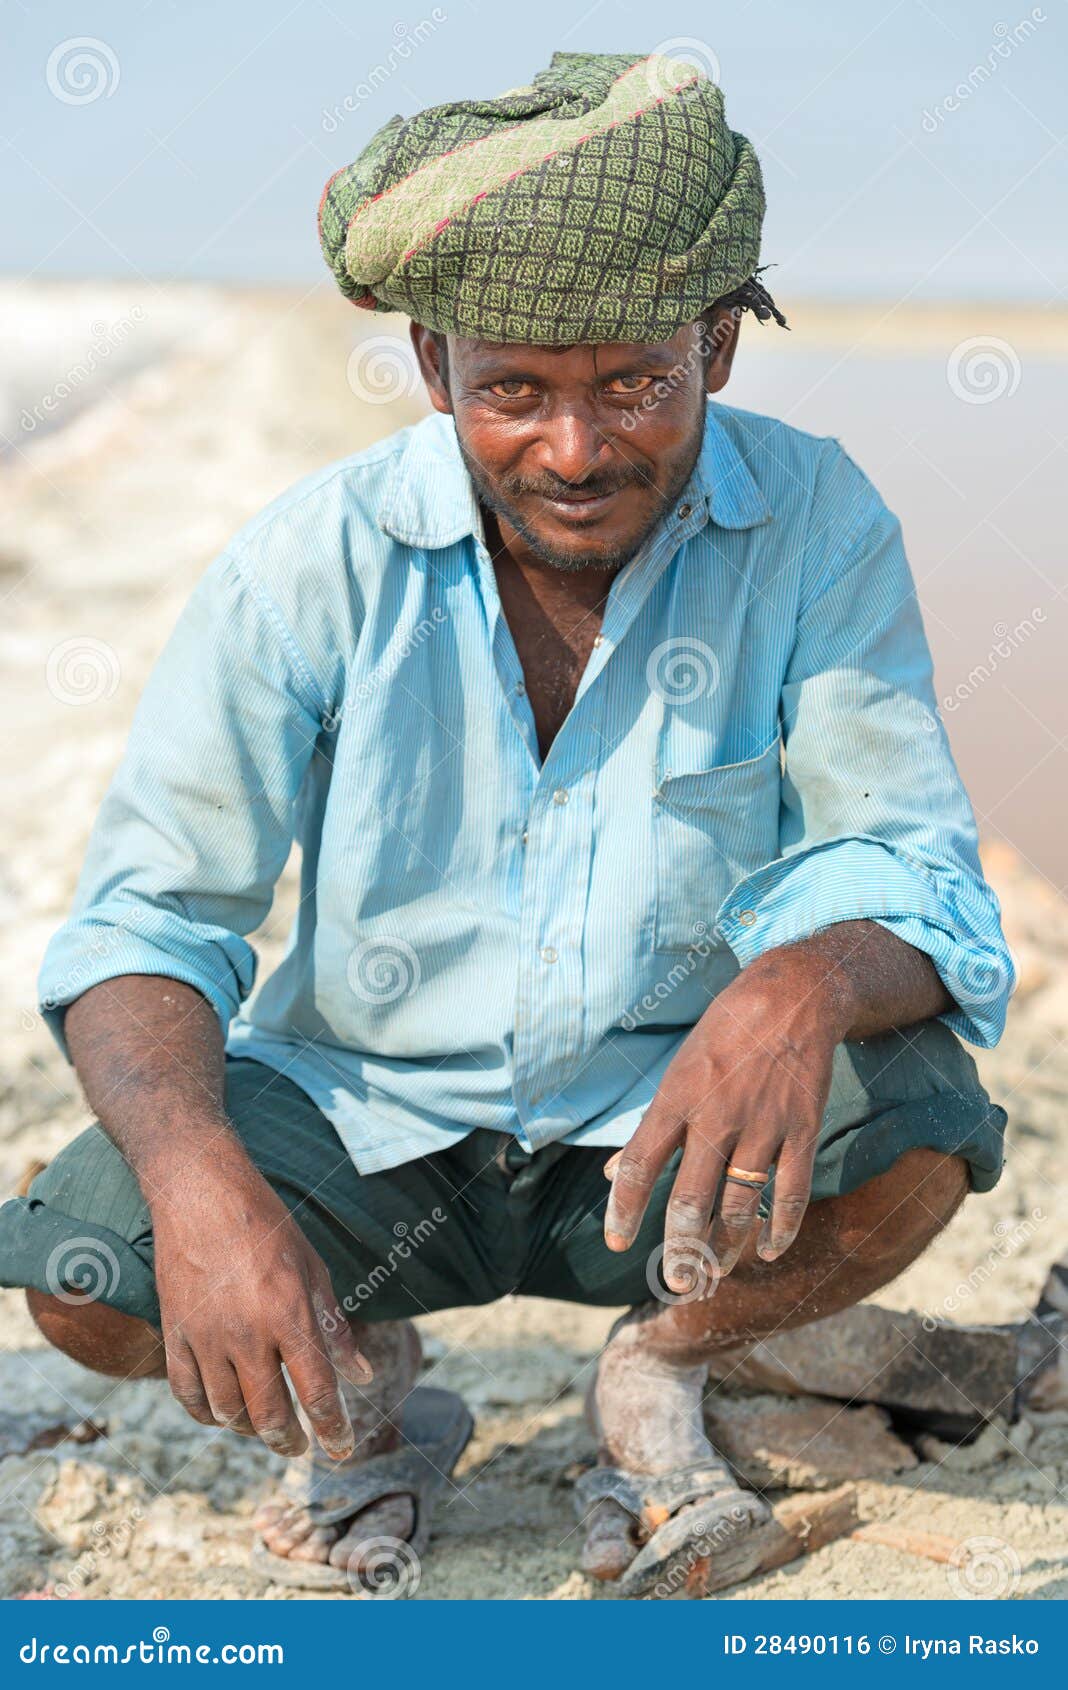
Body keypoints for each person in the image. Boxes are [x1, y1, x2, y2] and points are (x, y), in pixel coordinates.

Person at [0, 51, 1013, 1598]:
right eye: (512, 392)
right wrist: (207, 1188)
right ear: (430, 363)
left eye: (635, 383)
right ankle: (370, 1377)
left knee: (924, 1127)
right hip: (367, 1120)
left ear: (721, 344)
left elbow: (916, 862)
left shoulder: (816, 522)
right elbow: (151, 918)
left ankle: (660, 1366)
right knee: (88, 1269)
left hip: (668, 1136)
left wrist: (793, 987)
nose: (577, 450)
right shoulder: (305, 565)